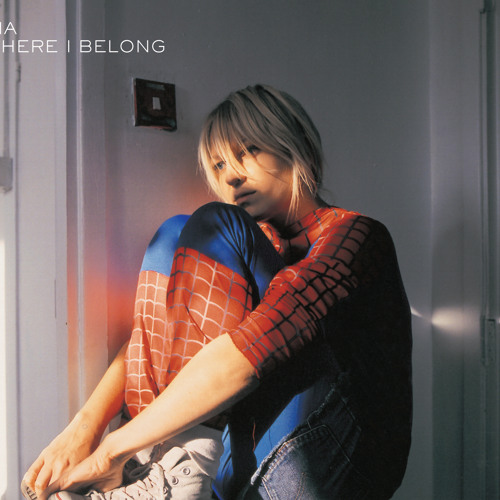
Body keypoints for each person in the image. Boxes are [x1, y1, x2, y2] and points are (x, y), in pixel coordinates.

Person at [22, 84, 412, 500]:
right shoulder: (254, 252)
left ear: (294, 142)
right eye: (220, 164)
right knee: (175, 233)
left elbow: (253, 350)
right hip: (247, 460)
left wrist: (110, 451)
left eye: (248, 151)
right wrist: (84, 429)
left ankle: (175, 466)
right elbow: (150, 333)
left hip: (333, 462)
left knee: (215, 225)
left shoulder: (355, 236)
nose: (231, 176)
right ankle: (164, 470)